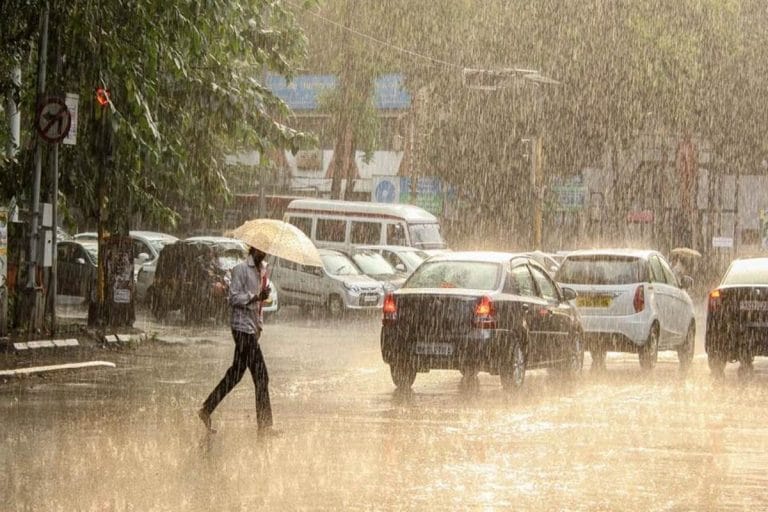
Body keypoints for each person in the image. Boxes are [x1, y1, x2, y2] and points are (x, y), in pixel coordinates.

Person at [198, 245, 276, 436]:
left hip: (251, 328)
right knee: (262, 377)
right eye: (260, 251)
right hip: (241, 328)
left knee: (235, 374)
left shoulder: (262, 271)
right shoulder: (240, 269)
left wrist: (259, 323)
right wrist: (255, 297)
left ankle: (206, 409)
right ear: (252, 250)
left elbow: (259, 306)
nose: (262, 254)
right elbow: (233, 298)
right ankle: (264, 426)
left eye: (265, 251)